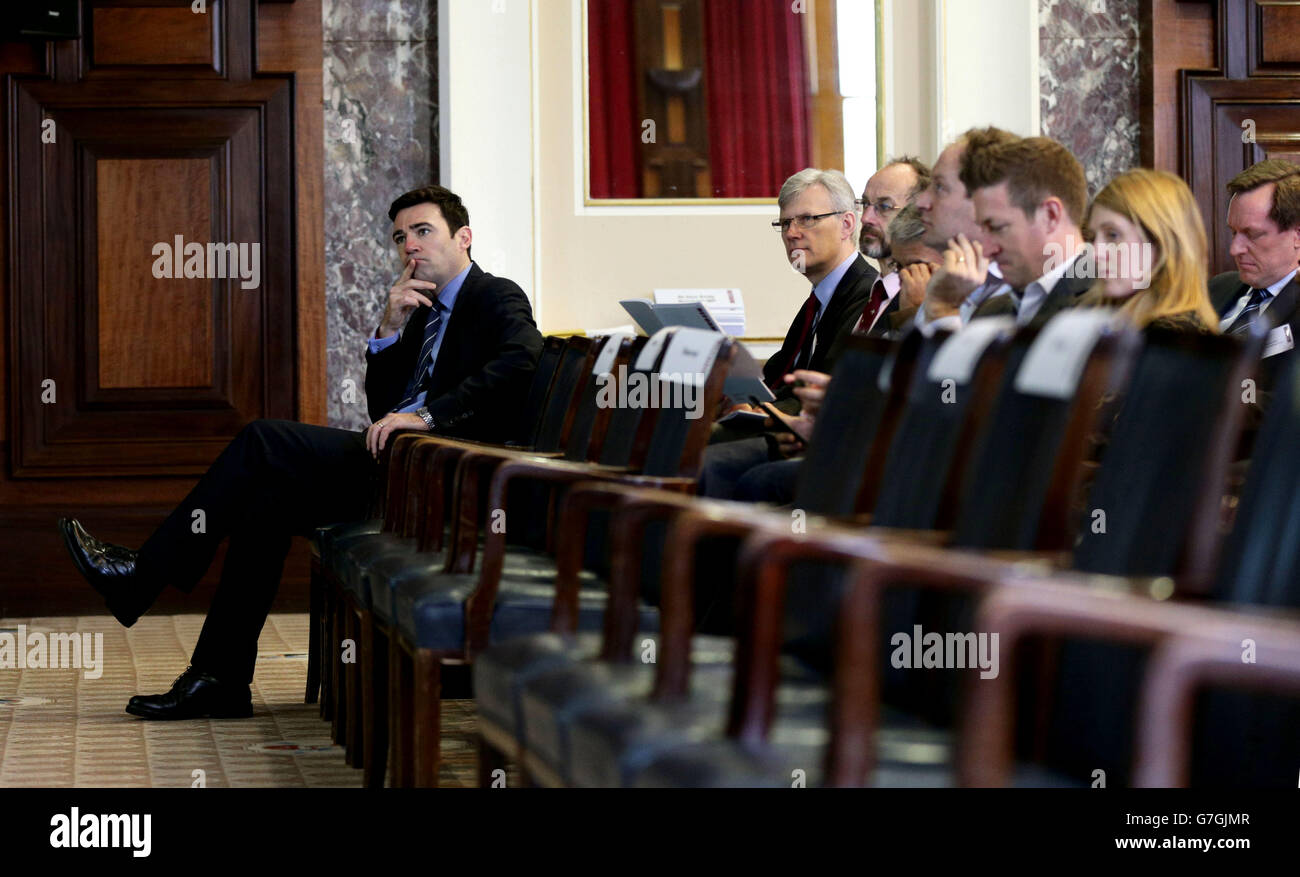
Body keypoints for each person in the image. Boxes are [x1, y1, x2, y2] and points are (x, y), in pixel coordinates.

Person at [57, 185, 544, 720]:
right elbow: (383, 408)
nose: (410, 246)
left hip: (444, 475)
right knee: (262, 501)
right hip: (398, 463)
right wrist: (388, 329)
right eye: (401, 237)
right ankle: (219, 678)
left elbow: (521, 362)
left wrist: (426, 416)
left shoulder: (495, 295)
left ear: (463, 237)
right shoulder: (420, 312)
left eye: (423, 232)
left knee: (264, 439)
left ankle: (141, 576)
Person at [700, 168, 876, 498]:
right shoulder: (818, 298)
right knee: (679, 439)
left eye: (807, 219)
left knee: (699, 456)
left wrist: (763, 413)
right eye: (785, 223)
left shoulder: (866, 295)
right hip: (781, 425)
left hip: (810, 439)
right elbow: (777, 376)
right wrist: (745, 400)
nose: (792, 233)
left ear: (847, 225)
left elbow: (822, 388)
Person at [930, 134, 1093, 329]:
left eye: (998, 228)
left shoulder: (1113, 303)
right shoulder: (988, 312)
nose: (987, 250)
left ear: (1050, 215)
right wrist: (942, 310)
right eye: (983, 227)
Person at [1076, 168, 1219, 331]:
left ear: (1161, 244)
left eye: (1112, 235)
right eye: (1093, 238)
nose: (1095, 254)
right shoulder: (1096, 314)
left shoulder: (1176, 339)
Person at [1210, 159, 1300, 352]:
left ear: (1297, 236)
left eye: (1252, 235)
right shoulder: (1217, 287)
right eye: (1234, 233)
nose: (1235, 249)